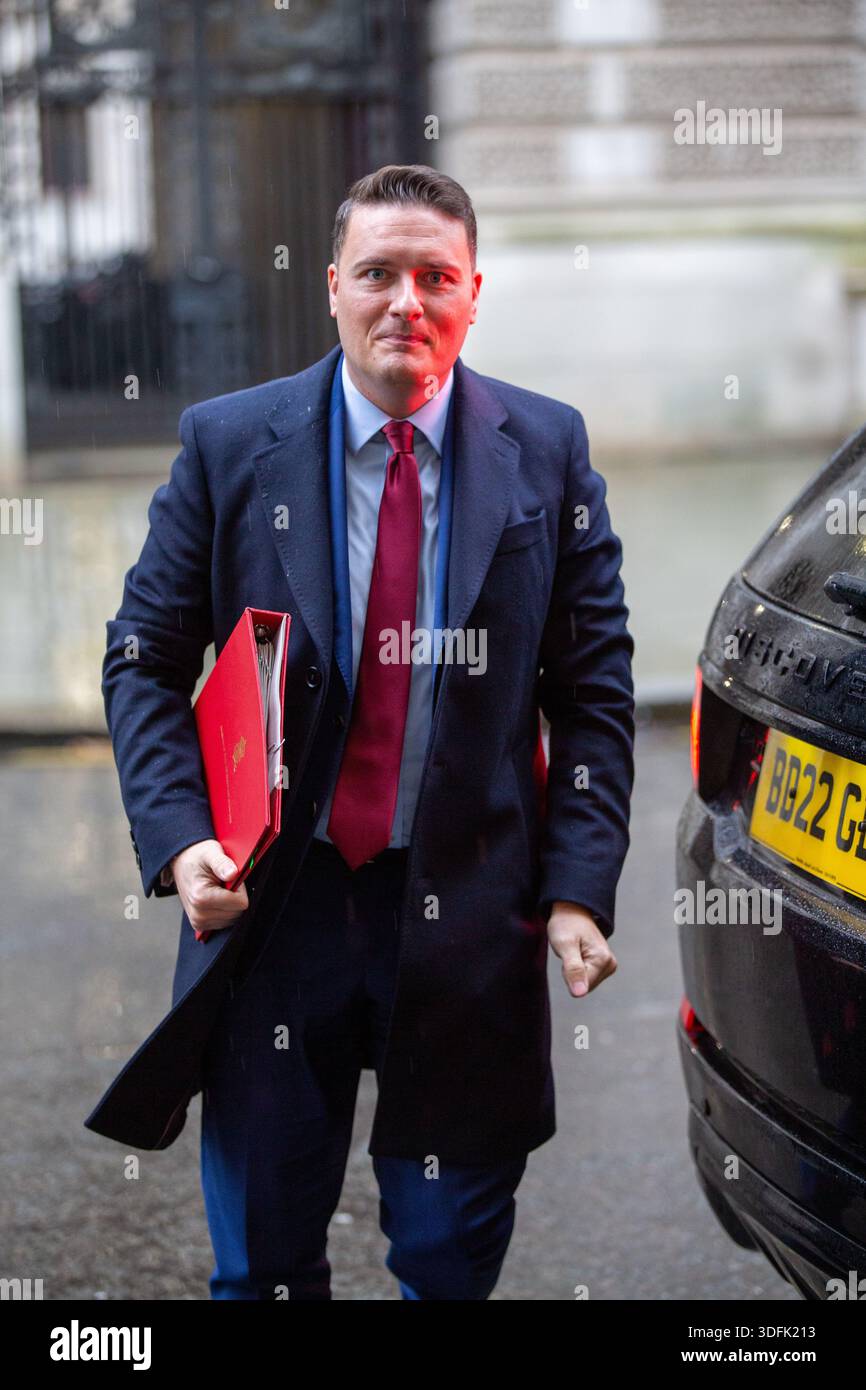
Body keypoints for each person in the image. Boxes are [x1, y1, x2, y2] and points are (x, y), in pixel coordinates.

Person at [86, 163, 635, 1300]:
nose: (406, 302)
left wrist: (578, 887)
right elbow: (143, 657)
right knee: (264, 1266)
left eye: (435, 277)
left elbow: (591, 689)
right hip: (275, 911)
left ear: (473, 292)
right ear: (332, 285)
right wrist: (182, 841)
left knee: (448, 1258)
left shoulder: (547, 447)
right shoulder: (230, 444)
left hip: (470, 913)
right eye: (378, 274)